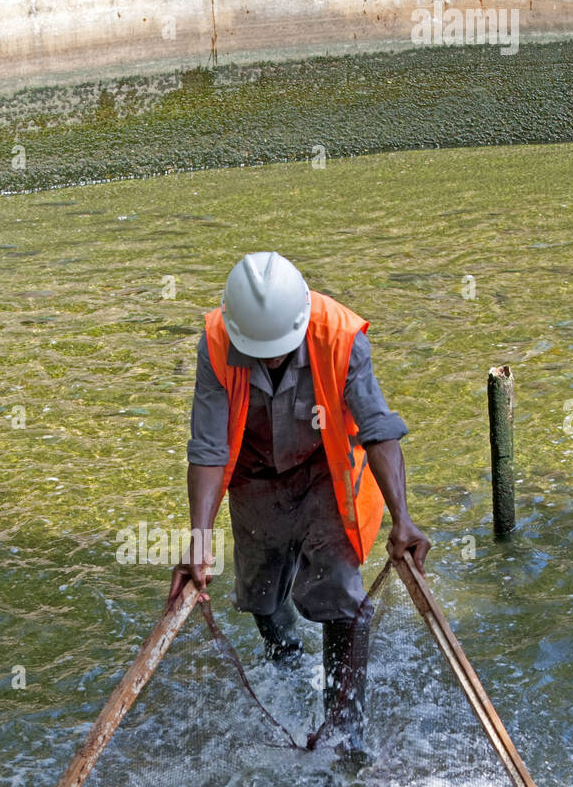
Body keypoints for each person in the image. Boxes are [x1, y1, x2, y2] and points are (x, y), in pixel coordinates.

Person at [167, 251, 430, 754]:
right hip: (254, 471)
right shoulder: (219, 342)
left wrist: (404, 520)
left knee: (339, 590)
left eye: (278, 351)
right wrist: (200, 541)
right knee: (260, 594)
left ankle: (343, 723)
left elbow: (377, 429)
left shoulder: (340, 336)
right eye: (258, 351)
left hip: (322, 469)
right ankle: (285, 656)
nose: (269, 360)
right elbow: (207, 446)